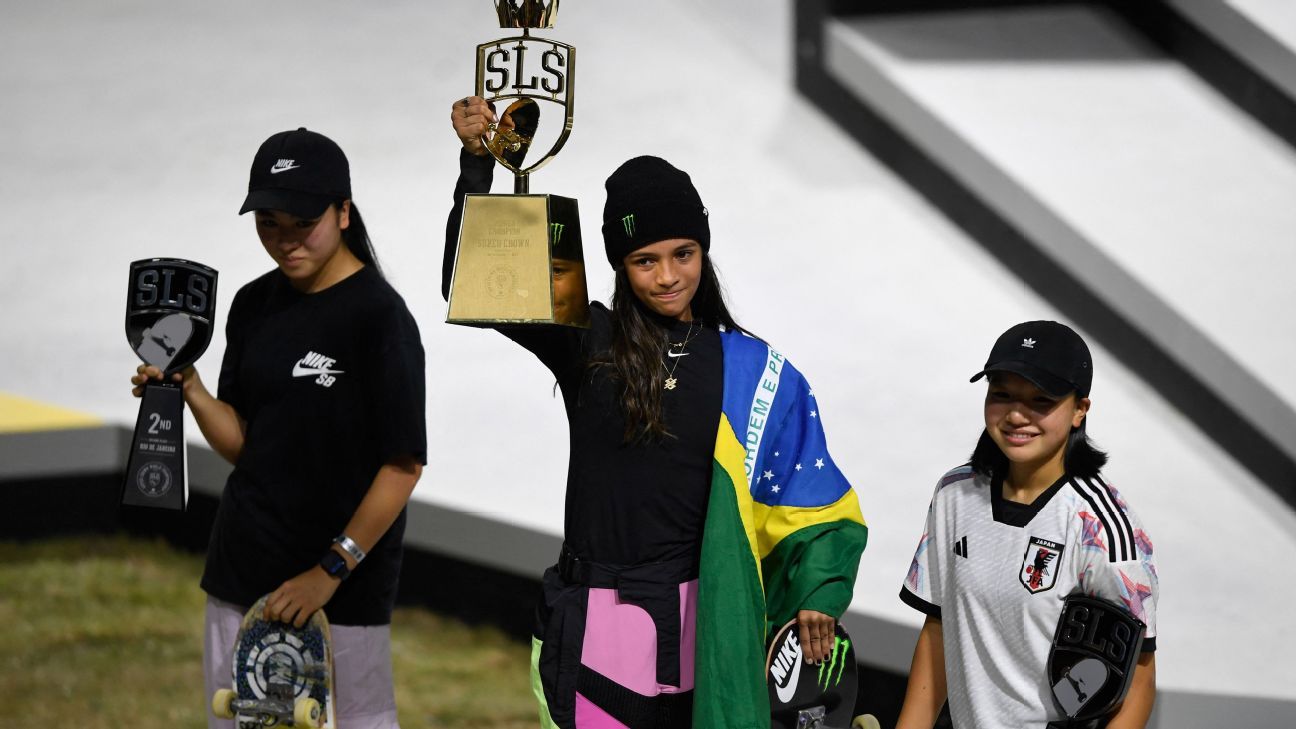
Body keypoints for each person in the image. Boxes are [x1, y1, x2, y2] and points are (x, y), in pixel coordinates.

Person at [445, 96, 870, 728]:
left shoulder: (752, 367)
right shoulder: (586, 336)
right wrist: (477, 165)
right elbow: (472, 278)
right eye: (646, 260)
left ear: (704, 250)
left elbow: (815, 500)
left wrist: (819, 591)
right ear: (619, 263)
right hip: (590, 625)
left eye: (684, 254)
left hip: (704, 629)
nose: (668, 276)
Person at [131, 127, 426, 729]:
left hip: (341, 598)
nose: (285, 240)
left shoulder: (381, 319)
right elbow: (245, 442)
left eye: (301, 221)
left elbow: (402, 466)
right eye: (269, 222)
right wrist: (188, 388)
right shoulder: (251, 304)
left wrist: (328, 572)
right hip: (243, 573)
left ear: (344, 212)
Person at [895, 321, 1158, 729]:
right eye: (1001, 395)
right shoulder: (954, 494)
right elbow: (938, 631)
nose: (1017, 415)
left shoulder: (1101, 526)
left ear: (1079, 410)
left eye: (1041, 400)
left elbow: (1137, 681)